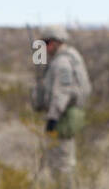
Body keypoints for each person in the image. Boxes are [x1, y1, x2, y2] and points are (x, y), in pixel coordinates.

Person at [31, 24, 92, 179]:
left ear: (52, 43)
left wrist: (52, 120)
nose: (42, 48)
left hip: (61, 118)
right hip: (63, 116)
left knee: (62, 165)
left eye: (44, 44)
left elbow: (62, 93)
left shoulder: (61, 63)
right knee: (61, 162)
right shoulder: (67, 58)